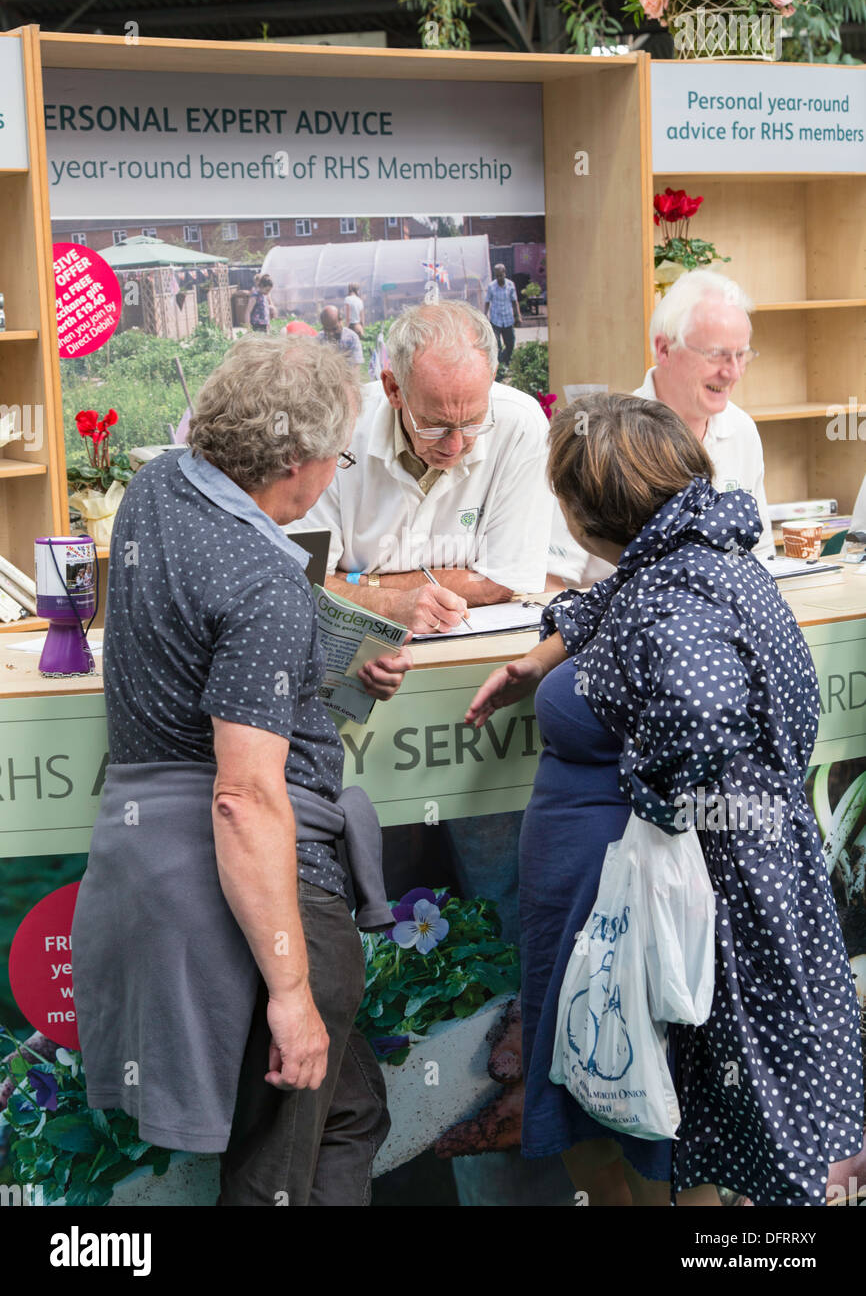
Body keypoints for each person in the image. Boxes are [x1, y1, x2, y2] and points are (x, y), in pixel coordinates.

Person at [467, 392, 863, 1207]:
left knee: (645, 1122)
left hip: (654, 886)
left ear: (585, 516)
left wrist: (655, 801)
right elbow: (634, 602)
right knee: (659, 1117)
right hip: (695, 877)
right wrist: (549, 655)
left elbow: (701, 706)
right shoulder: (701, 552)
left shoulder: (666, 597)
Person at [71, 335, 414, 1207]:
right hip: (260, 895)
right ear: (296, 461)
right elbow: (244, 796)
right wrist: (291, 990)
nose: (337, 472)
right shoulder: (262, 579)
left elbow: (200, 645)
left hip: (145, 870)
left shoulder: (155, 489)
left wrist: (322, 656)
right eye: (336, 456)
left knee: (347, 1112)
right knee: (276, 1169)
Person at [297, 299, 553, 635]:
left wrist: (359, 585)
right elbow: (306, 581)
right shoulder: (337, 425)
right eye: (434, 425)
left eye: (474, 422)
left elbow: (500, 583)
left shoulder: (520, 424)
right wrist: (390, 605)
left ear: (491, 379)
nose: (455, 445)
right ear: (393, 389)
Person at [548, 269, 775, 589]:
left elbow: (761, 555)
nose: (732, 372)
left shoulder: (741, 429)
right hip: (620, 628)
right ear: (664, 349)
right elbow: (553, 579)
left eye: (741, 355)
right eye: (716, 355)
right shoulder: (605, 438)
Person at [484, 263, 521, 376]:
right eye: (497, 275)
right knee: (497, 346)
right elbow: (487, 302)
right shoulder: (491, 286)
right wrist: (484, 316)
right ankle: (498, 369)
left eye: (501, 275)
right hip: (496, 320)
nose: (499, 277)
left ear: (505, 273)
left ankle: (504, 362)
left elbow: (515, 301)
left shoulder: (510, 285)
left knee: (510, 344)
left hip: (508, 319)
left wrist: (518, 315)